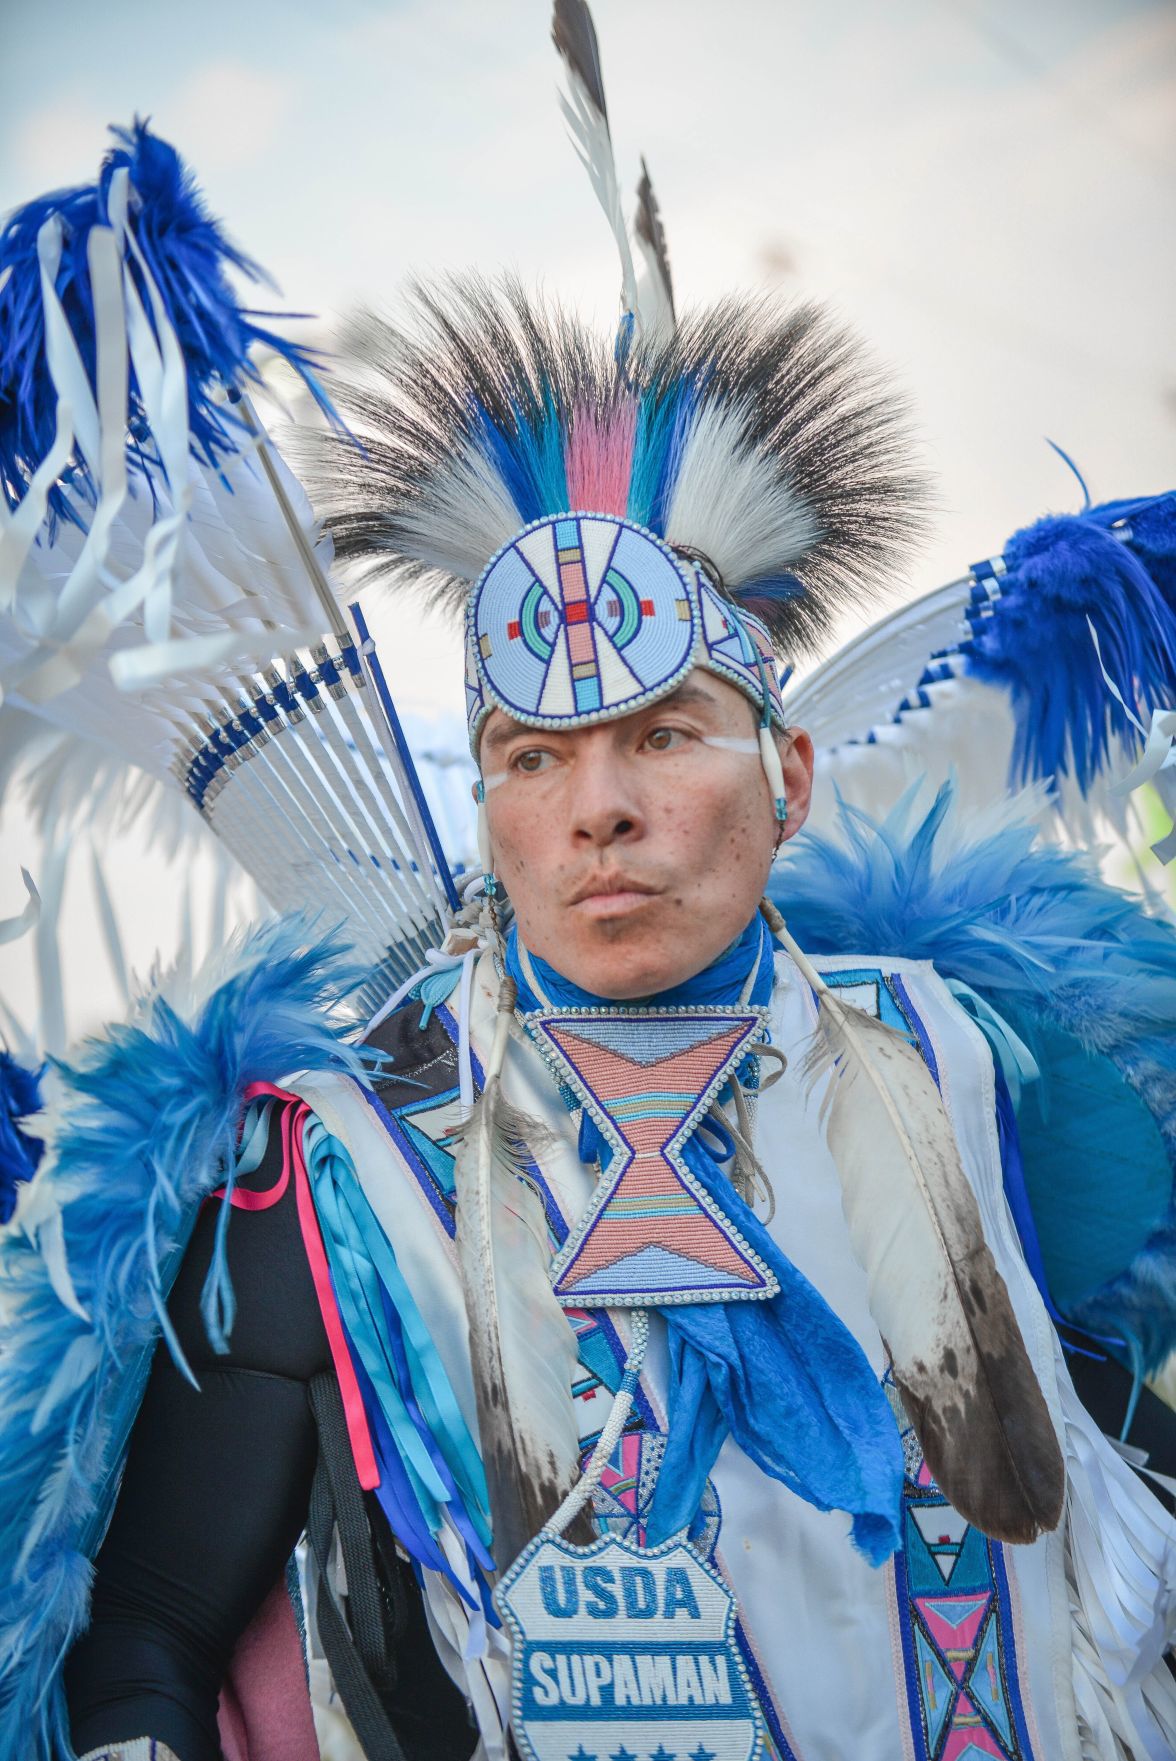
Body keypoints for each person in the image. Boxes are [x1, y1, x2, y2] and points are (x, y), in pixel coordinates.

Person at [1, 6, 1174, 1761]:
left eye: (660, 739)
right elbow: (149, 1629)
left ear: (784, 778)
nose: (597, 813)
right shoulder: (332, 1163)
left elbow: (1109, 1455)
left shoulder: (967, 1064)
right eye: (534, 761)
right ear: (485, 808)